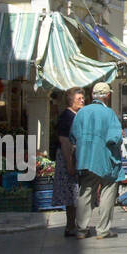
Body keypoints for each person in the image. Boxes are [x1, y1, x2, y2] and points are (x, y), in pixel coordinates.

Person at [71, 81, 124, 238]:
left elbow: (73, 136)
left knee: (86, 192)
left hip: (86, 159)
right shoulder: (109, 114)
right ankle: (103, 229)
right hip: (106, 159)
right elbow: (114, 137)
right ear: (107, 96)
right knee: (108, 191)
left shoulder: (81, 112)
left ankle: (81, 229)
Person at [53, 88, 84, 236]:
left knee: (74, 195)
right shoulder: (67, 117)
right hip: (68, 157)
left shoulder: (75, 115)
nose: (82, 101)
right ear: (71, 101)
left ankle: (73, 225)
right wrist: (69, 163)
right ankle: (71, 225)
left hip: (74, 156)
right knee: (72, 194)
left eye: (83, 98)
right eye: (79, 99)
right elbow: (64, 141)